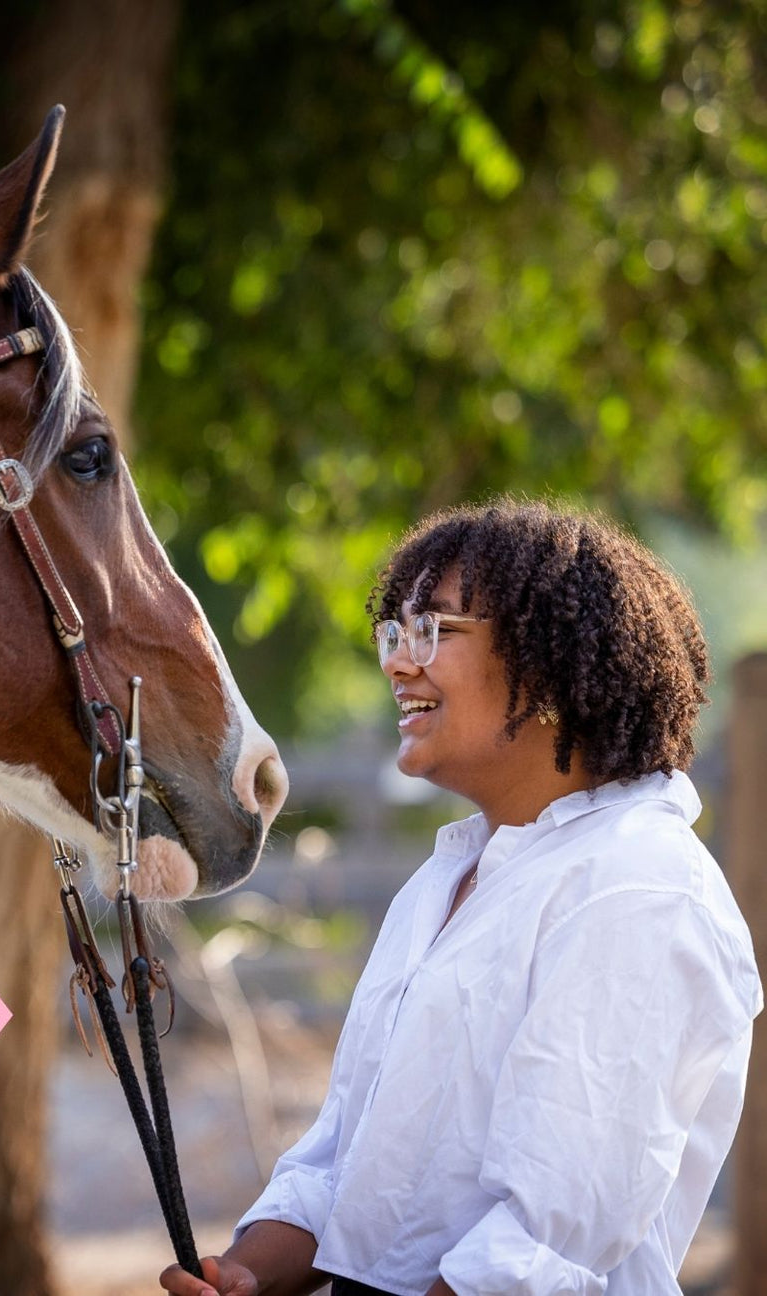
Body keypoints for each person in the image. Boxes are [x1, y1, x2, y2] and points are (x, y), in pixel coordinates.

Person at [160, 498, 762, 1296]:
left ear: (547, 662)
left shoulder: (637, 888)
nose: (399, 664)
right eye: (395, 633)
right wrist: (244, 1274)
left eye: (434, 632)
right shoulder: (449, 878)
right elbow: (347, 1161)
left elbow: (541, 1245)